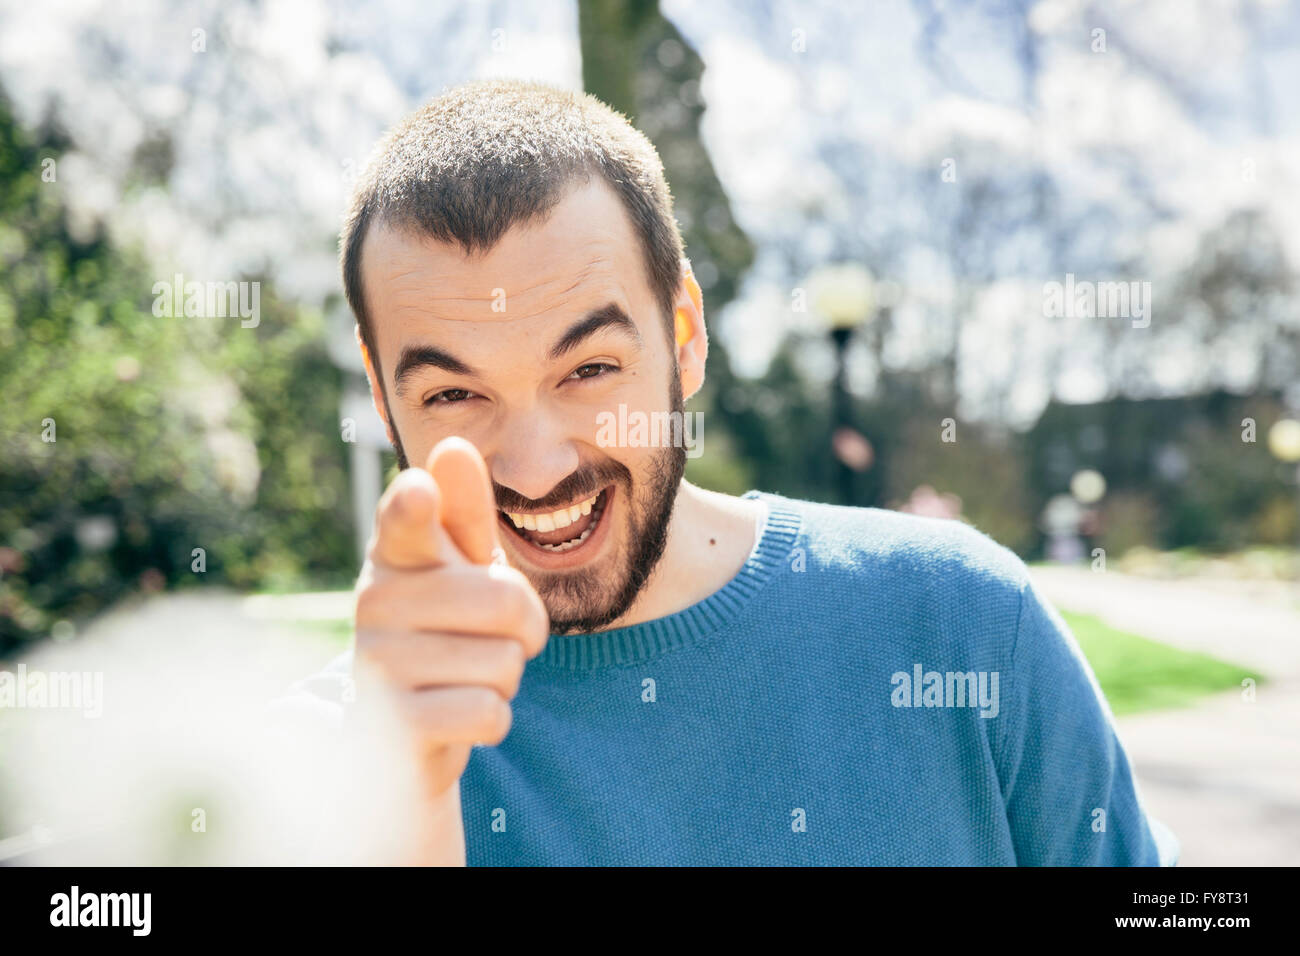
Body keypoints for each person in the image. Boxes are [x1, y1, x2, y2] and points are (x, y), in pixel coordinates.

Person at [283, 78, 1178, 867]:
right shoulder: (335, 753)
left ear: (684, 337)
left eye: (589, 370)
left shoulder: (965, 624)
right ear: (380, 390)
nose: (537, 465)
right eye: (452, 395)